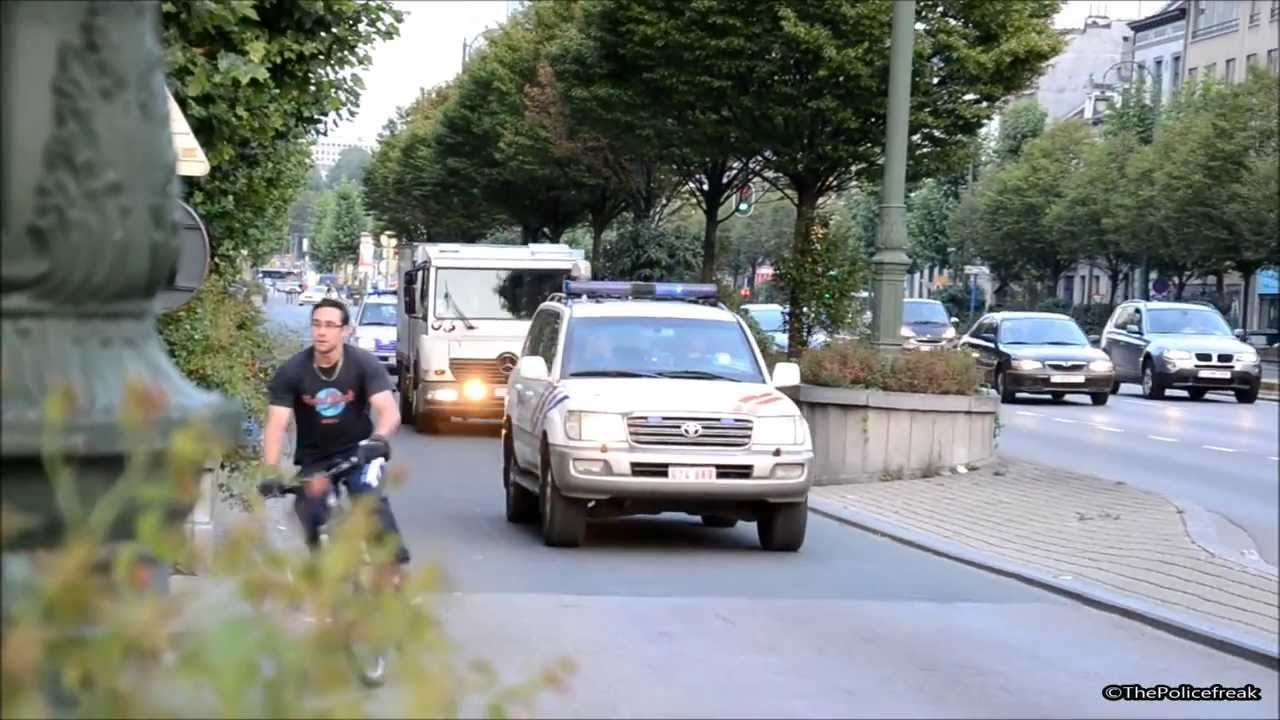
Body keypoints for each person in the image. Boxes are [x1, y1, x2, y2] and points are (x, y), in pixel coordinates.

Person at [261, 297, 409, 587]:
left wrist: (378, 439)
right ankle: (327, 573)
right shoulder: (292, 371)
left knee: (369, 501)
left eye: (330, 325)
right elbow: (276, 424)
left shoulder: (363, 364)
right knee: (311, 512)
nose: (322, 331)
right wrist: (270, 470)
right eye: (316, 324)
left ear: (345, 331)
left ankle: (394, 572)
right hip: (315, 458)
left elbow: (389, 411)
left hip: (360, 451)